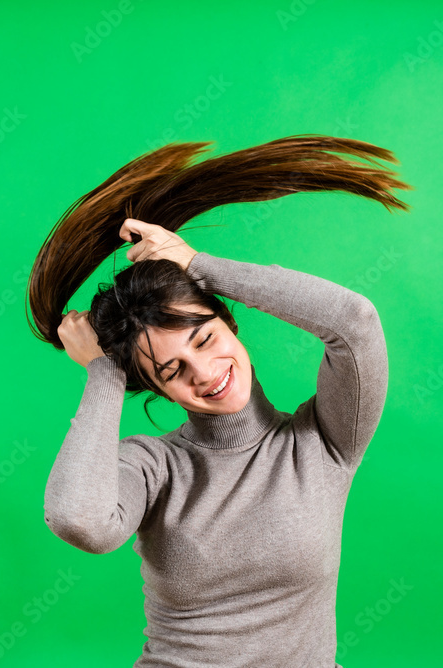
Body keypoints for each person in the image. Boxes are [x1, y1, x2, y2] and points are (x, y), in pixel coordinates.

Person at [31, 135, 410, 667]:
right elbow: (80, 521)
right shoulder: (154, 466)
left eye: (205, 339)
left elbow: (355, 322)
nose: (205, 373)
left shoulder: (324, 441)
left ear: (229, 322)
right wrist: (105, 370)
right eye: (171, 370)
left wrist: (199, 265)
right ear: (157, 389)